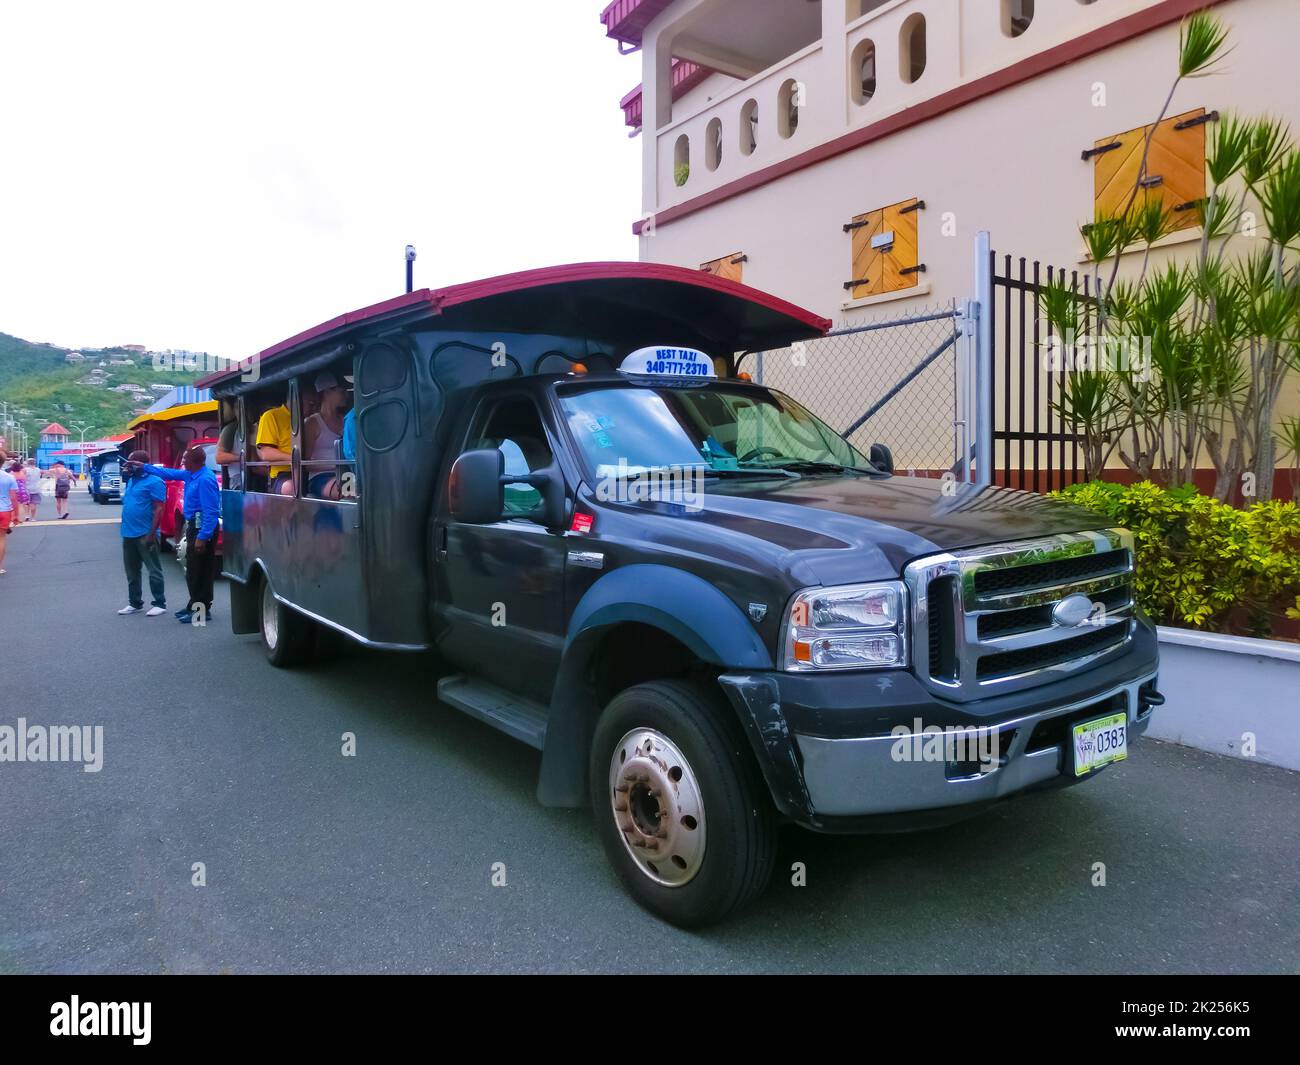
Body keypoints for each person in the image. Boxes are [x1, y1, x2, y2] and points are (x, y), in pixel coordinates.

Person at [142, 446, 219, 623]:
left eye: (186, 459)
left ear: (196, 461)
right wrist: (144, 467)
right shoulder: (190, 475)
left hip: (202, 529)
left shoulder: (205, 479)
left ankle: (200, 612)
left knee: (199, 571)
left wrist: (203, 537)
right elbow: (168, 473)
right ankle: (194, 605)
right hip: (194, 526)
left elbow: (211, 511)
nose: (183, 462)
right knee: (193, 569)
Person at [118, 450, 167, 616]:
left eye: (131, 463)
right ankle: (135, 603)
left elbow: (159, 509)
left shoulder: (155, 481)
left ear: (141, 464)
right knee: (131, 571)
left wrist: (152, 533)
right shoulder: (131, 480)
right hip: (128, 533)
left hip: (145, 533)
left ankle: (159, 603)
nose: (128, 466)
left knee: (153, 569)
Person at [303, 370, 351, 499]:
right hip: (321, 477)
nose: (346, 394)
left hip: (347, 474)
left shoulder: (346, 419)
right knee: (350, 489)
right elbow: (305, 463)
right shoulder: (312, 423)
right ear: (327, 391)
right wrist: (338, 465)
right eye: (342, 390)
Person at [255, 390, 292, 494]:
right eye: (310, 403)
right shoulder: (270, 416)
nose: (313, 407)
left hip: (310, 470)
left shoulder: (311, 418)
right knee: (290, 488)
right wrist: (295, 458)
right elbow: (265, 453)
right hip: (282, 474)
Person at [215, 399, 242, 491]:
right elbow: (219, 457)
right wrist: (243, 458)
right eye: (237, 408)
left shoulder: (257, 426)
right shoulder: (231, 429)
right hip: (238, 477)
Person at [0, 453, 19, 575]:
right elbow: (13, 498)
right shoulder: (9, 477)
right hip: (4, 510)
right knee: (1, 538)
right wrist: (15, 515)